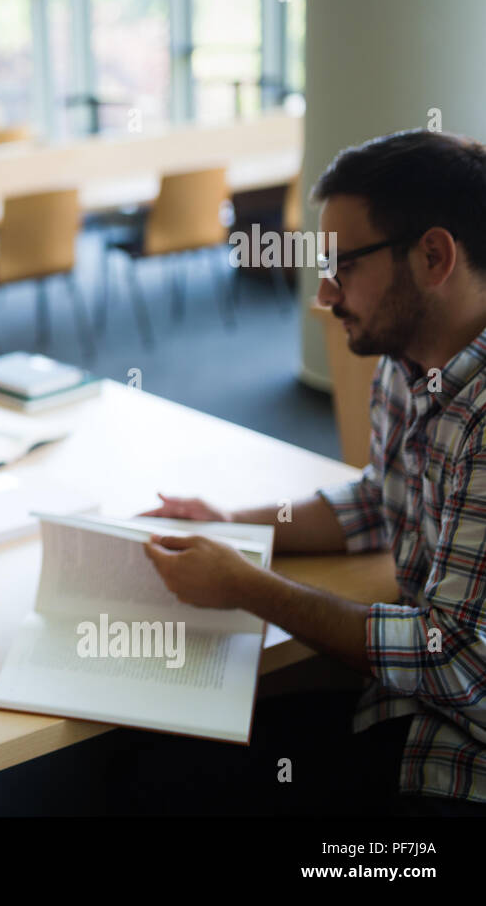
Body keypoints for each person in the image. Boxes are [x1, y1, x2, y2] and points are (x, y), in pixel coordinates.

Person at [131, 129, 486, 814]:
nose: (325, 294)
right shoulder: (405, 361)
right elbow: (381, 503)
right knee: (157, 764)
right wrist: (230, 523)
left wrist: (251, 587)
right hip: (405, 711)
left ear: (434, 256)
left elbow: (454, 661)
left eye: (342, 265)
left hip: (462, 756)